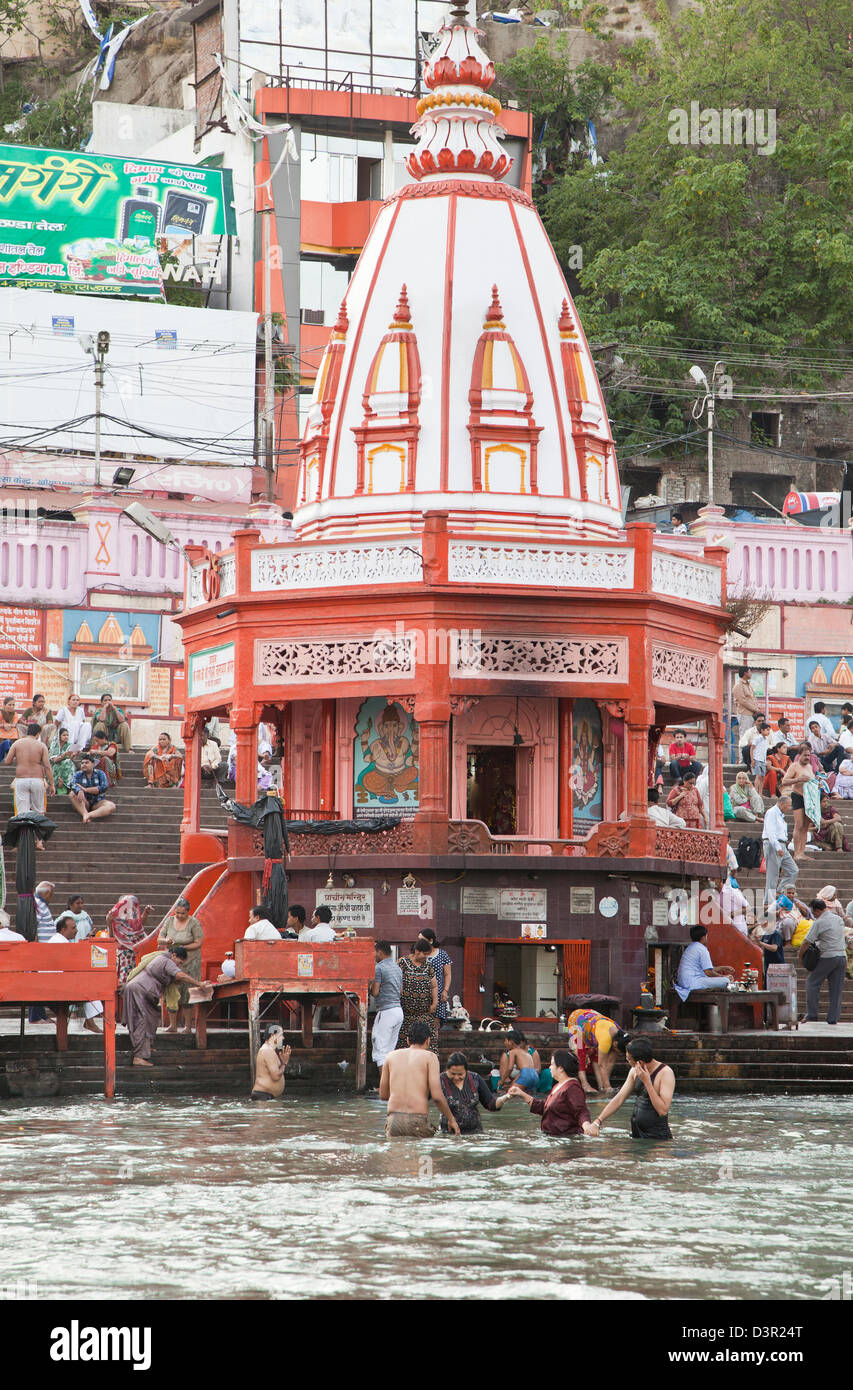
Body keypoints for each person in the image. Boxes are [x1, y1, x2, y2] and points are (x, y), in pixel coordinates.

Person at [379, 1018, 460, 1137]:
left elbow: (384, 1095)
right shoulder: (430, 1057)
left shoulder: (390, 1057)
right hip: (418, 1120)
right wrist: (451, 1119)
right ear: (428, 1041)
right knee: (422, 1155)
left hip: (393, 1121)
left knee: (395, 1154)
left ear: (407, 1040)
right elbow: (437, 1097)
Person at [121, 946, 198, 1066]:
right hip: (139, 990)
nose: (179, 966)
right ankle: (139, 1057)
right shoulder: (166, 959)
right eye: (179, 962)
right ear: (173, 955)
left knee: (152, 1018)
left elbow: (172, 977)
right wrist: (200, 984)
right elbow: (180, 975)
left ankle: (146, 1048)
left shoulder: (164, 960)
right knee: (142, 1020)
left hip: (144, 993)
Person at [590, 1036, 674, 1140]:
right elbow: (619, 1098)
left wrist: (647, 1082)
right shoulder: (634, 1071)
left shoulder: (665, 1073)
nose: (627, 1060)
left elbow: (663, 1110)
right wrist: (598, 1121)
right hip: (637, 1133)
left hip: (657, 1137)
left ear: (640, 1062)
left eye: (629, 1059)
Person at [509, 1050, 598, 1137]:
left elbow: (580, 1110)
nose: (549, 1067)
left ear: (561, 1068)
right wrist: (521, 1093)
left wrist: (586, 1125)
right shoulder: (557, 1086)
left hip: (567, 1138)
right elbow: (544, 1108)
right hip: (553, 1136)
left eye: (552, 1064)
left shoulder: (572, 1087)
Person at [48, 915, 104, 1034]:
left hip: (56, 980)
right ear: (63, 930)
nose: (76, 930)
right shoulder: (60, 942)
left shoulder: (58, 940)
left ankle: (90, 1021)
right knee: (87, 983)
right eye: (73, 928)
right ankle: (91, 1021)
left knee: (86, 981)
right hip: (55, 983)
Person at [4, 722, 55, 843]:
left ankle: (22, 840)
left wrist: (20, 758)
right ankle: (39, 841)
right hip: (37, 779)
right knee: (39, 811)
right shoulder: (41, 745)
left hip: (21, 780)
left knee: (22, 813)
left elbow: (7, 761)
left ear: (27, 732)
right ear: (38, 734)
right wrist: (52, 784)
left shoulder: (17, 743)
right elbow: (47, 766)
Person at [157, 897, 203, 1032]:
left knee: (187, 993)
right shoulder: (169, 921)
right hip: (172, 962)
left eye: (182, 913)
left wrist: (183, 946)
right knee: (171, 991)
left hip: (190, 962)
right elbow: (160, 938)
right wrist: (167, 940)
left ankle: (188, 1026)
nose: (180, 915)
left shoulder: (194, 923)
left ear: (188, 912)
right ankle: (173, 1025)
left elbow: (198, 942)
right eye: (177, 913)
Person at [800, 898, 847, 1024]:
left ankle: (811, 1015)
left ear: (818, 910)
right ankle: (833, 1019)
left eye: (813, 912)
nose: (813, 915)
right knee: (836, 989)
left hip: (828, 957)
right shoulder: (838, 919)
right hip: (842, 957)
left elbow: (806, 942)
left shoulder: (819, 922)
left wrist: (800, 956)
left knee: (812, 983)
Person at [440, 1053, 510, 1133]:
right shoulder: (440, 1080)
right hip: (448, 1134)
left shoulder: (475, 1079)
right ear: (447, 1070)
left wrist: (508, 1096)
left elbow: (491, 1104)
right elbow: (425, 1099)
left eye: (460, 1074)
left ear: (466, 1071)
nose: (456, 1077)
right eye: (453, 1074)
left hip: (475, 1133)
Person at [566, 1009, 628, 1093]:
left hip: (593, 1021)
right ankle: (585, 1084)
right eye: (617, 1050)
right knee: (581, 1054)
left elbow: (610, 1062)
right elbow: (601, 1065)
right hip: (577, 1021)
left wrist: (605, 1083)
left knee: (597, 1055)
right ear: (615, 1044)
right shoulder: (605, 1039)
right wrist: (608, 1087)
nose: (616, 1052)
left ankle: (601, 1085)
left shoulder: (621, 1036)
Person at [674, 924, 735, 1001]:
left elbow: (707, 969)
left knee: (725, 980)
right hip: (692, 983)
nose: (707, 938)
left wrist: (723, 967)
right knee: (726, 981)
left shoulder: (691, 947)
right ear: (703, 937)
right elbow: (708, 972)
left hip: (684, 982)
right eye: (706, 936)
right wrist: (723, 977)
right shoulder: (702, 949)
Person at [398, 940, 438, 1051]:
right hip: (406, 1015)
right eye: (424, 954)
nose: (426, 957)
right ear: (416, 951)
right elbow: (396, 981)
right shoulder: (403, 962)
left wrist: (435, 1002)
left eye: (427, 954)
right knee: (405, 1047)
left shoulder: (428, 966)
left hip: (424, 1014)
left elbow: (434, 986)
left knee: (429, 1044)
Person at [370, 940, 403, 1067]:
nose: (374, 955)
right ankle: (390, 1085)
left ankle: (384, 1087)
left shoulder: (379, 968)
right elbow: (400, 991)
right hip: (398, 1011)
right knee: (390, 1051)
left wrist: (369, 986)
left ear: (380, 952)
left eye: (374, 952)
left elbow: (375, 992)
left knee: (380, 1051)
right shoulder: (397, 968)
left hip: (386, 1012)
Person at [106, 895, 153, 984]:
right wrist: (109, 923)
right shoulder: (116, 921)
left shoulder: (132, 919)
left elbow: (139, 925)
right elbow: (111, 939)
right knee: (124, 981)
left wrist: (145, 913)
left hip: (136, 955)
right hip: (123, 956)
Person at [780, 747, 816, 860]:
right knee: (799, 825)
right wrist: (798, 779)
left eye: (808, 755)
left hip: (809, 798)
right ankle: (796, 853)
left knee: (806, 827)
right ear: (799, 755)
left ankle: (802, 852)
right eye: (805, 755)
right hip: (797, 795)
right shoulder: (794, 766)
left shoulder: (810, 767)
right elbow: (784, 781)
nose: (807, 758)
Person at [761, 794, 798, 899]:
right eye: (788, 805)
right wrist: (777, 847)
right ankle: (769, 901)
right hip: (774, 844)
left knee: (793, 870)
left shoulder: (780, 814)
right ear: (781, 804)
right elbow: (770, 831)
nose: (789, 808)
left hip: (782, 844)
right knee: (772, 875)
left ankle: (779, 891)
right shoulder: (772, 812)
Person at [416, 927, 452, 1024]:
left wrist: (445, 990)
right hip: (420, 993)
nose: (419, 942)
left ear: (431, 940)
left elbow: (447, 974)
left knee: (435, 1024)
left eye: (422, 940)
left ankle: (433, 1040)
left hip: (437, 993)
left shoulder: (442, 954)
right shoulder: (417, 954)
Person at [69, 755, 116, 824]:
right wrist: (79, 790)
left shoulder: (100, 773)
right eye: (82, 763)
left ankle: (89, 815)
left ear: (93, 764)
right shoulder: (78, 774)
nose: (84, 765)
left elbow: (104, 787)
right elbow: (72, 784)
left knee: (111, 806)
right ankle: (84, 813)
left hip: (98, 802)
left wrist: (85, 789)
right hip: (83, 802)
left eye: (86, 763)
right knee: (72, 793)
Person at [251, 1024, 291, 1099]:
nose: (283, 1038)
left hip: (266, 1096)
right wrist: (284, 1063)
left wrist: (282, 1062)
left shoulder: (270, 1050)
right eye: (281, 1035)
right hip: (263, 1096)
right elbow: (275, 1076)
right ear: (273, 1035)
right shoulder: (267, 1050)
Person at [498, 1028, 541, 1095]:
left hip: (526, 1075)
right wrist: (512, 1084)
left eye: (505, 1041)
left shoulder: (512, 1052)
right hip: (535, 1076)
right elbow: (525, 1071)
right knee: (525, 1095)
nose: (504, 1043)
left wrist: (502, 1080)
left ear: (511, 1042)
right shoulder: (525, 1052)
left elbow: (510, 1068)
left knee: (510, 1093)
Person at [49, 728, 78, 796]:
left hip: (66, 766)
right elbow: (55, 760)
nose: (66, 737)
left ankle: (65, 785)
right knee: (66, 763)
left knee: (68, 762)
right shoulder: (54, 745)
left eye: (67, 735)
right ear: (59, 736)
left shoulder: (69, 745)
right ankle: (60, 785)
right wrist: (64, 754)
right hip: (55, 766)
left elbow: (70, 760)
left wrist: (73, 755)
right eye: (64, 735)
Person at [751, 719, 770, 796]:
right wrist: (752, 760)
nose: (768, 732)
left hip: (763, 760)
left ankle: (760, 793)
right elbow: (752, 749)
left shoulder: (766, 740)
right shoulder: (757, 738)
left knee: (762, 777)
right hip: (757, 759)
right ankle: (756, 792)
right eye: (767, 730)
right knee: (758, 776)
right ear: (762, 730)